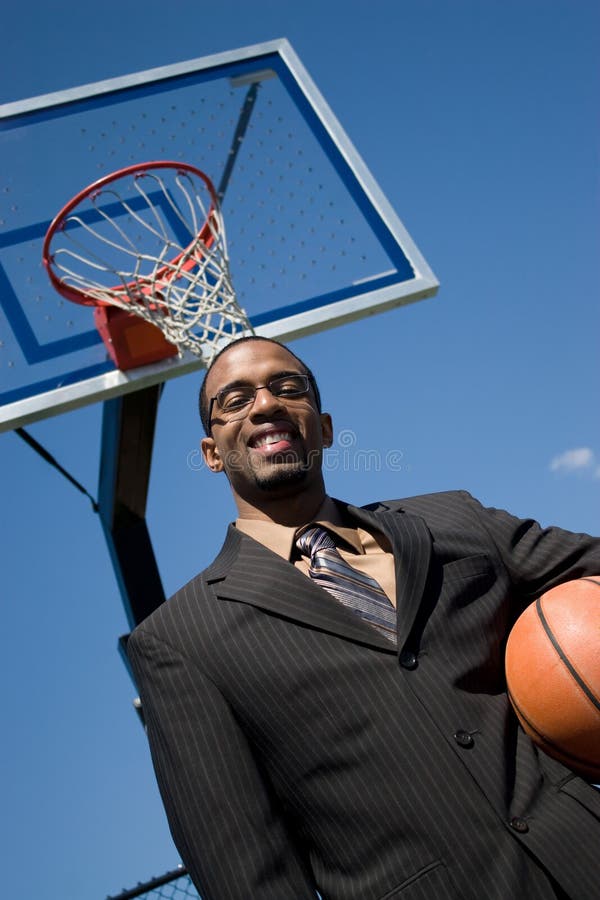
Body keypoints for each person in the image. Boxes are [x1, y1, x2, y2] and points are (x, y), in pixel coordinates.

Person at [128, 336, 600, 900]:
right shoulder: (181, 641)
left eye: (287, 387)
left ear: (324, 427)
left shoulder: (453, 519)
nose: (265, 405)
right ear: (211, 452)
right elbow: (246, 870)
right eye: (234, 401)